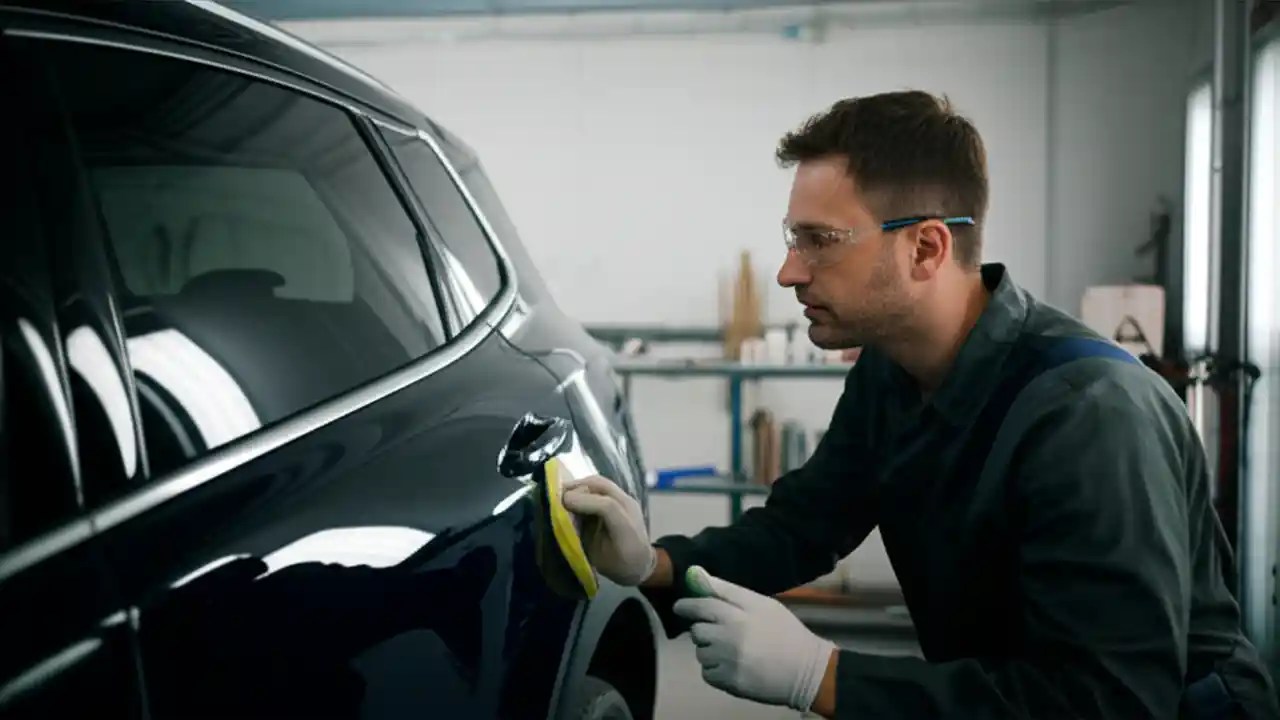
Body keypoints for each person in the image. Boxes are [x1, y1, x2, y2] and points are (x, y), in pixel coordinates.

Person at [562, 90, 1280, 719]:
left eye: (820, 241)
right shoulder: (892, 370)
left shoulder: (1090, 418)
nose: (788, 271)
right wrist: (651, 565)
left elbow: (1106, 703)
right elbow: (805, 525)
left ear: (927, 250)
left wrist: (825, 677)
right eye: (793, 239)